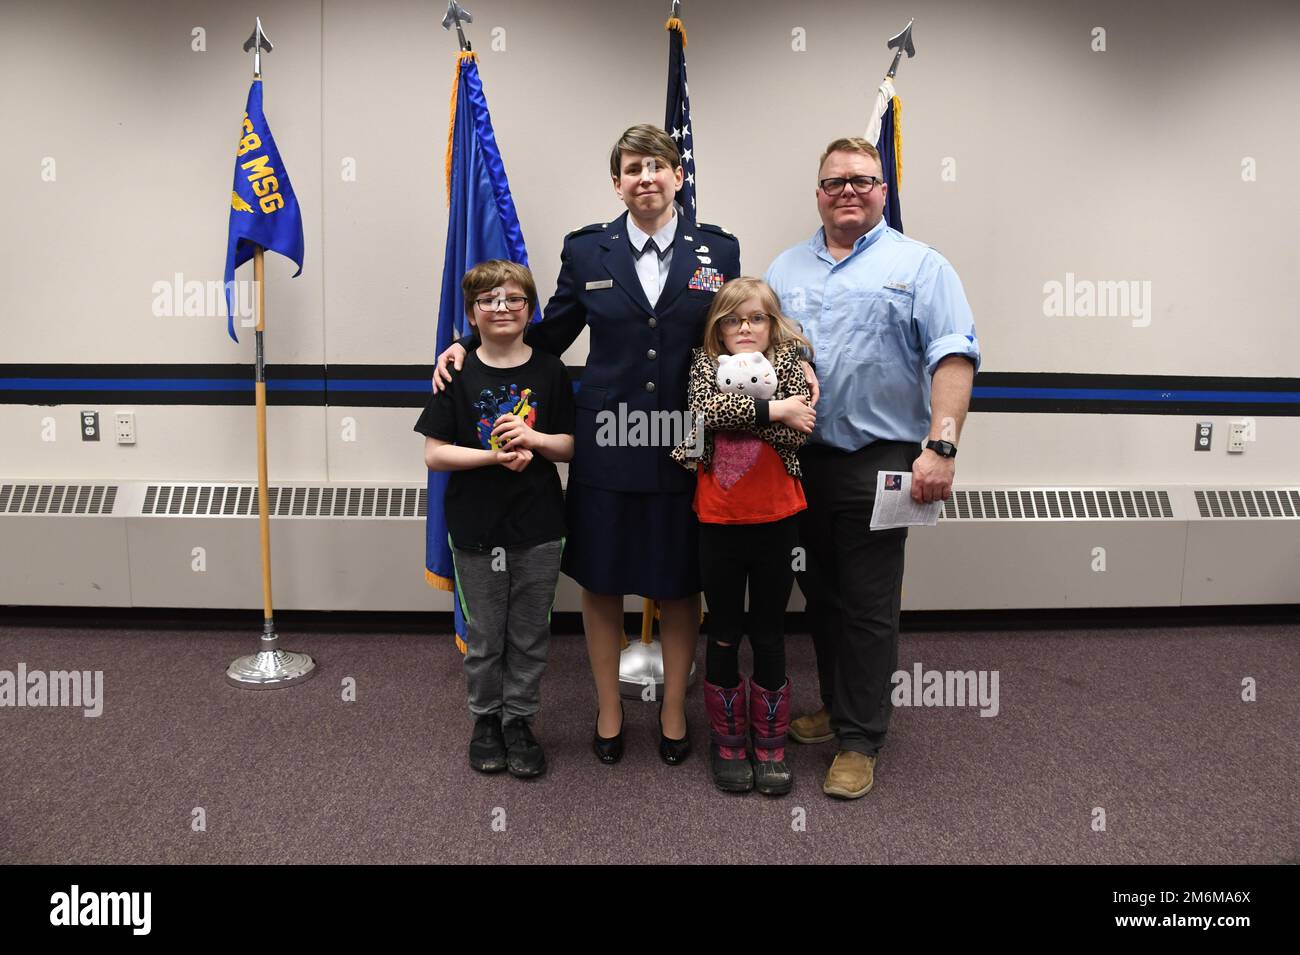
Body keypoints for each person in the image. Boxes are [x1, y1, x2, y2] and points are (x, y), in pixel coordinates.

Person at [433, 125, 742, 765]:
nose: (645, 178)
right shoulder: (588, 251)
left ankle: (674, 710)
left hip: (684, 441)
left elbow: (739, 335)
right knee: (601, 582)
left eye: (657, 166)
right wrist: (473, 345)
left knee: (681, 584)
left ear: (678, 176)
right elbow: (549, 336)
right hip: (608, 440)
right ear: (617, 182)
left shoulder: (718, 251)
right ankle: (607, 709)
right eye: (632, 168)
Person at [765, 137, 981, 799]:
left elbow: (953, 357)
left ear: (883, 190)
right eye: (835, 182)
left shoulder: (920, 266)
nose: (848, 191)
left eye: (862, 180)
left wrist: (941, 446)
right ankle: (835, 705)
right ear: (819, 192)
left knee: (868, 604)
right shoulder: (784, 270)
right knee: (822, 596)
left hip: (883, 461)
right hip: (799, 462)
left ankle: (860, 739)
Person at [415, 260, 575, 779]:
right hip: (477, 526)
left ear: (530, 309)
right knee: (486, 634)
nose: (501, 308)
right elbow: (435, 455)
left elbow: (570, 447)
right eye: (488, 301)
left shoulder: (550, 369)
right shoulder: (455, 371)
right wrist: (492, 457)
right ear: (471, 312)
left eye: (513, 299)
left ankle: (520, 723)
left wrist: (533, 441)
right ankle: (485, 721)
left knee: (529, 633)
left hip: (539, 525)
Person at [670, 277, 816, 795]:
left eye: (756, 318)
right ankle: (728, 739)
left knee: (771, 630)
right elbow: (704, 412)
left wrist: (747, 415)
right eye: (733, 320)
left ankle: (771, 741)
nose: (745, 328)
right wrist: (773, 408)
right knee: (726, 627)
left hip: (777, 519)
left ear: (772, 325)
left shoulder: (794, 364)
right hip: (718, 520)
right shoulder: (701, 365)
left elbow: (800, 426)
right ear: (718, 328)